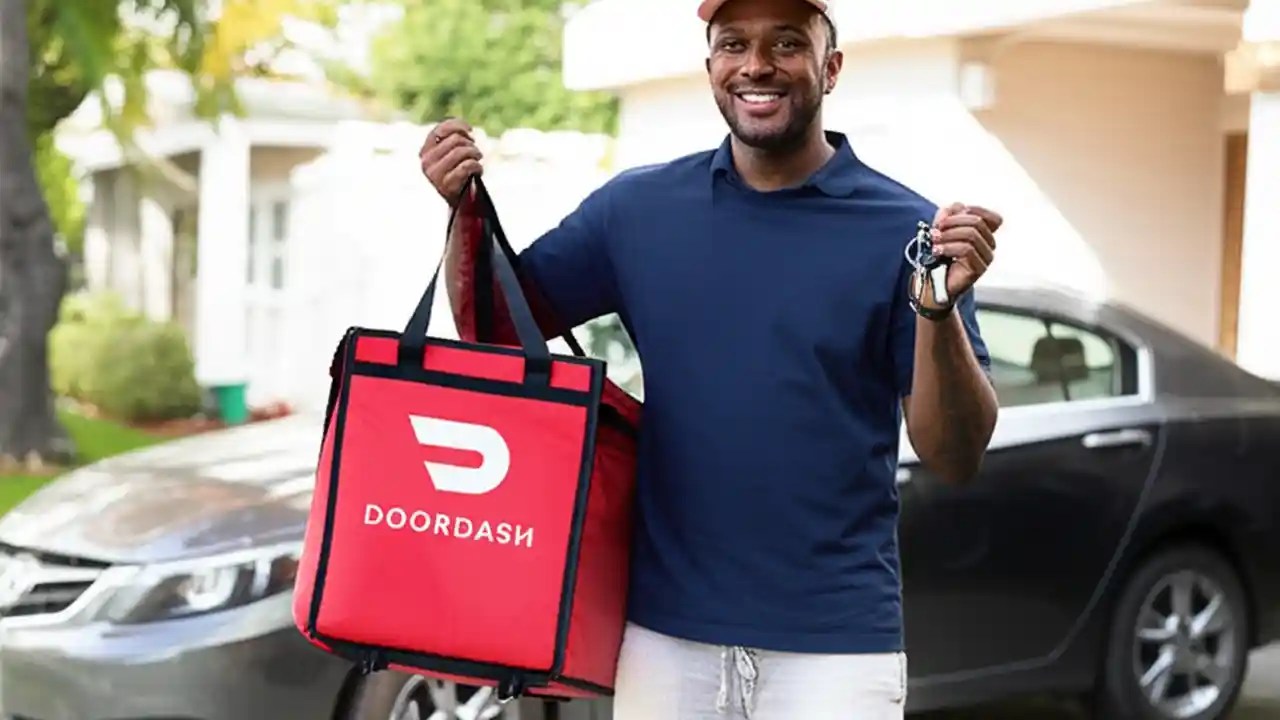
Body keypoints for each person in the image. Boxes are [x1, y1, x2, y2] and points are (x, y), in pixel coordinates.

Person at [418, 0, 1001, 716]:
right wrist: (462, 209)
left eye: (788, 43)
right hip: (666, 638)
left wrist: (935, 309)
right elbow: (496, 333)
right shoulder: (637, 211)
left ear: (832, 67)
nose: (758, 64)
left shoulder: (906, 233)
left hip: (836, 647)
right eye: (734, 43)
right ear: (711, 68)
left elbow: (954, 454)